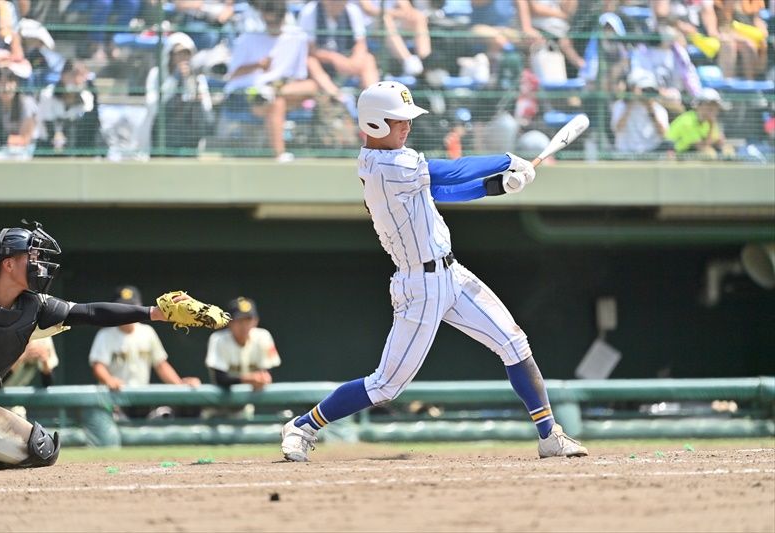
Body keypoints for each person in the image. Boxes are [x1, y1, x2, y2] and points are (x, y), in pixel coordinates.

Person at [280, 81, 588, 462]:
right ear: (375, 124)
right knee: (386, 385)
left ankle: (550, 436)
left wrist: (496, 187)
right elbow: (453, 172)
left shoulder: (400, 160)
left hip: (451, 274)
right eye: (398, 121)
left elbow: (443, 192)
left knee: (514, 344)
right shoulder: (386, 164)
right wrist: (508, 159)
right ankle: (302, 427)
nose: (407, 126)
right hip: (418, 284)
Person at [0, 222, 227, 473]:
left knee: (41, 450)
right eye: (31, 257)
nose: (38, 263)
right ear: (7, 264)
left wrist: (155, 313)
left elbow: (91, 312)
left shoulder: (36, 306)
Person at [223, 1, 318, 162]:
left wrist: (276, 88)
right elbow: (231, 75)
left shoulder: (298, 38)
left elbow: (300, 76)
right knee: (277, 103)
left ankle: (273, 93)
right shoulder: (247, 39)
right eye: (268, 22)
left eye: (275, 21)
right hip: (247, 94)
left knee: (311, 86)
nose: (271, 25)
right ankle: (280, 154)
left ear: (283, 18)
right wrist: (257, 65)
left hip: (282, 89)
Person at [89, 284, 202, 418]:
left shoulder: (147, 332)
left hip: (141, 399)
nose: (127, 312)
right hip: (114, 399)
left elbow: (161, 365)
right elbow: (98, 366)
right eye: (122, 308)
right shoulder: (105, 335)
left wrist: (179, 385)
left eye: (131, 307)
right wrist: (109, 380)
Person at [204, 296, 281, 419]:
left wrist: (263, 378)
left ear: (255, 321)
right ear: (229, 322)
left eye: (248, 319)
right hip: (221, 402)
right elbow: (220, 378)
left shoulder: (263, 336)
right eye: (239, 320)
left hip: (247, 403)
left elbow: (266, 371)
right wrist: (249, 379)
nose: (245, 325)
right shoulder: (218, 339)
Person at [145, 32, 213, 153]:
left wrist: (197, 96)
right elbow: (153, 105)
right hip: (162, 135)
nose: (183, 59)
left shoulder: (198, 78)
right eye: (179, 54)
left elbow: (207, 110)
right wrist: (174, 79)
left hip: (189, 137)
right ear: (169, 55)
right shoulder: (156, 74)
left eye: (186, 54)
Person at [298, 0, 380, 93]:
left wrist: (354, 61)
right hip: (322, 63)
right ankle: (336, 96)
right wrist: (333, 58)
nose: (338, 3)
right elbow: (309, 48)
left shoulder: (352, 10)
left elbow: (360, 43)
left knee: (368, 59)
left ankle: (372, 96)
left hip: (347, 59)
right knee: (310, 62)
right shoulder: (310, 11)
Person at [37, 60, 104, 153]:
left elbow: (88, 129)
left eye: (82, 76)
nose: (77, 80)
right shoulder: (47, 95)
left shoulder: (88, 98)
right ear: (63, 75)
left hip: (76, 147)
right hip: (46, 145)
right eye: (74, 74)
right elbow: (48, 126)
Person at [358, 0, 432, 76]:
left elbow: (407, 9)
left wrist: (400, 13)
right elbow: (369, 10)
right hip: (368, 25)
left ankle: (424, 60)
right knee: (385, 19)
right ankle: (407, 61)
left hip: (393, 19)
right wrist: (396, 13)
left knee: (418, 16)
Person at [610, 69, 672, 155]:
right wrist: (630, 103)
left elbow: (664, 134)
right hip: (625, 154)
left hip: (651, 154)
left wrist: (650, 108)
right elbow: (617, 129)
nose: (644, 93)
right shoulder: (620, 106)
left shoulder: (659, 109)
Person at [667, 87, 734, 158]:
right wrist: (711, 127)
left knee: (728, 150)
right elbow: (701, 146)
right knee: (709, 154)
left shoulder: (710, 121)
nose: (713, 109)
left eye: (715, 106)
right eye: (709, 105)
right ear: (698, 106)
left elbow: (720, 141)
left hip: (691, 154)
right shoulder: (687, 121)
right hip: (676, 155)